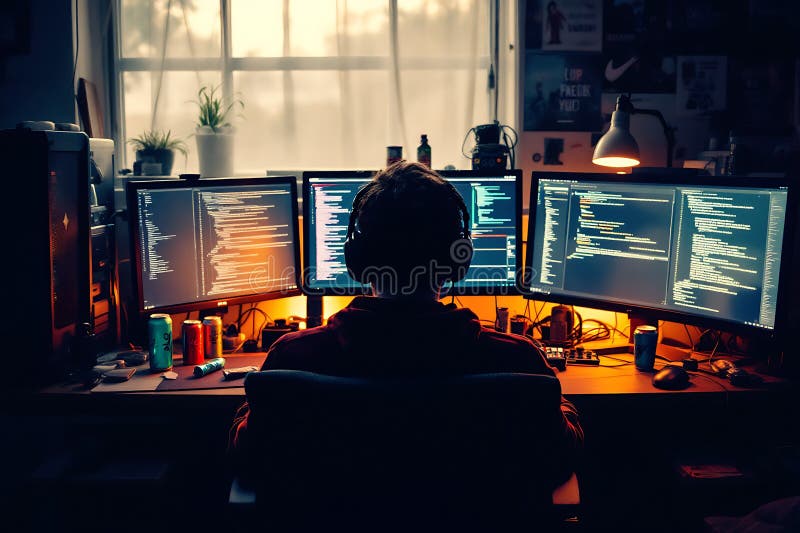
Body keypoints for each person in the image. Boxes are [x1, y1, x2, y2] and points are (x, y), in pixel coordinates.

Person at [228, 160, 583, 490]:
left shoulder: (294, 356)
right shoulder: (518, 362)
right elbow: (561, 453)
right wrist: (559, 403)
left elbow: (249, 453)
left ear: (356, 259)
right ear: (459, 262)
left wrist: (253, 405)